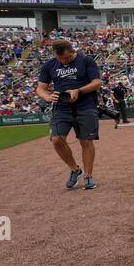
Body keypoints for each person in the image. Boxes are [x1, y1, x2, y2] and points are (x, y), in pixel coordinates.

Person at [36, 38, 102, 190]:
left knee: (86, 141)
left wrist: (78, 91)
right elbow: (40, 88)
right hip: (61, 108)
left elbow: (97, 82)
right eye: (60, 59)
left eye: (66, 58)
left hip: (86, 106)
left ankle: (88, 176)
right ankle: (74, 169)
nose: (64, 61)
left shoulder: (86, 60)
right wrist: (46, 96)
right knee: (57, 139)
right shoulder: (50, 64)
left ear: (73, 51)